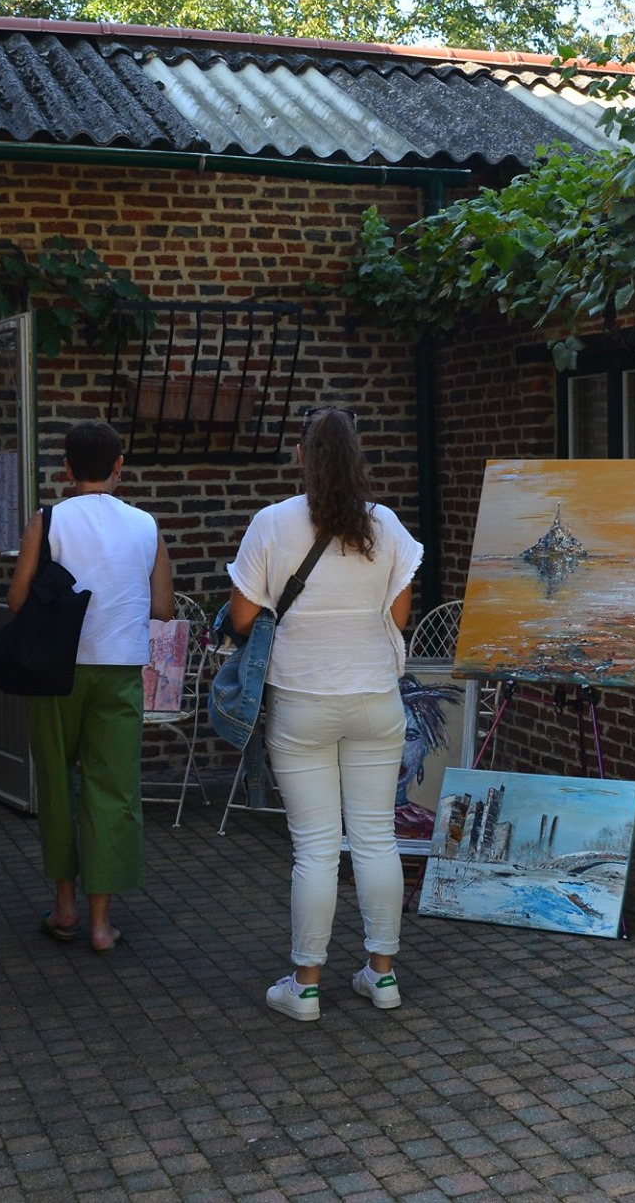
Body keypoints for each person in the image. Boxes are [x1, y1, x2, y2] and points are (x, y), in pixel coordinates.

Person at [226, 407, 422, 1021]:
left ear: (304, 459)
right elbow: (399, 619)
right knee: (374, 839)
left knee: (314, 848)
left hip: (301, 702)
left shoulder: (270, 523)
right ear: (357, 460)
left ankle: (306, 986)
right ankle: (382, 977)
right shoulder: (384, 525)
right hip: (374, 699)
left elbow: (239, 619)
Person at [10, 420, 172, 952]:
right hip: (121, 667)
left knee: (57, 783)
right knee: (114, 788)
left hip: (58, 668)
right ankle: (102, 924)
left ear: (67, 469)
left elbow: (17, 602)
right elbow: (165, 610)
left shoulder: (48, 519)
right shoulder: (146, 525)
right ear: (120, 466)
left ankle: (64, 907)